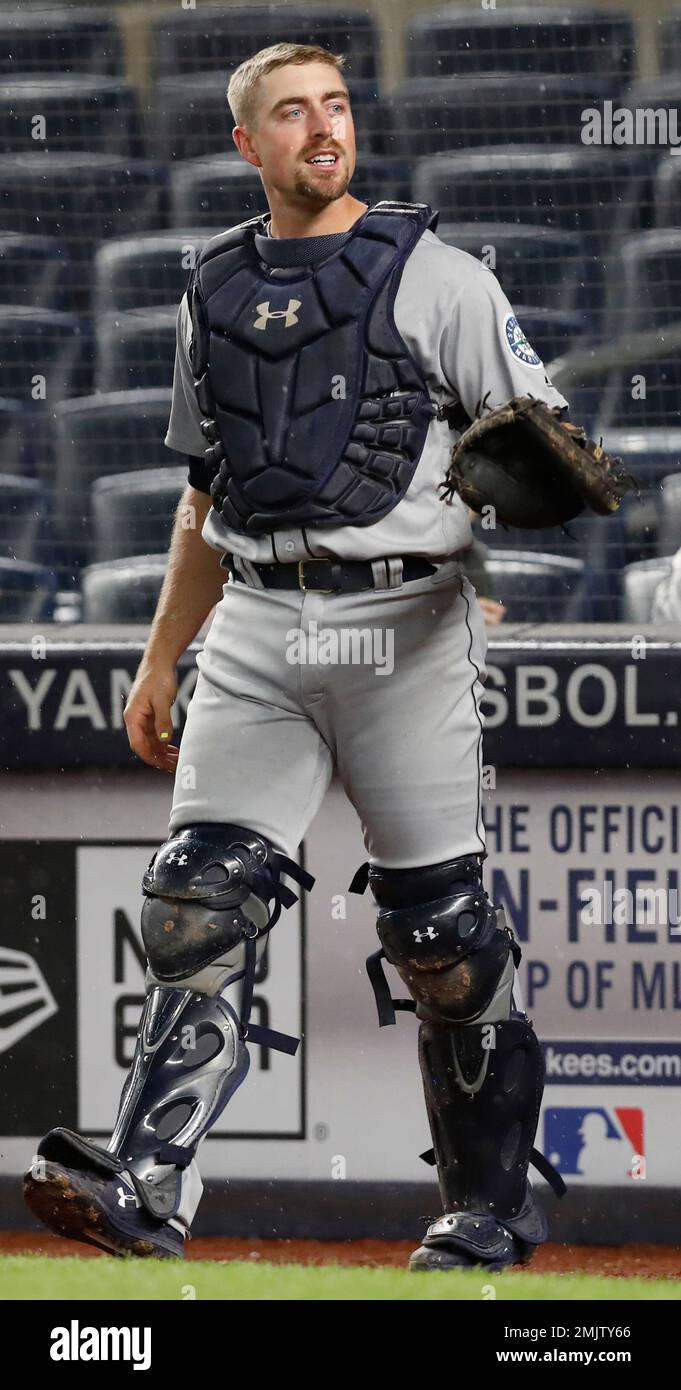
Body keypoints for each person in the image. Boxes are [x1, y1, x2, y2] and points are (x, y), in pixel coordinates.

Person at [24, 41, 570, 1271]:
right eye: (292, 113)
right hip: (261, 624)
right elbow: (201, 493)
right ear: (247, 145)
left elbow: (548, 447)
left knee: (441, 935)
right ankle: (148, 1190)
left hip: (407, 626)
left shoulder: (444, 279)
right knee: (194, 905)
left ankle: (489, 1208)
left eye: (334, 106)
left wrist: (514, 504)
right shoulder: (210, 287)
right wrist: (163, 655)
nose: (322, 128)